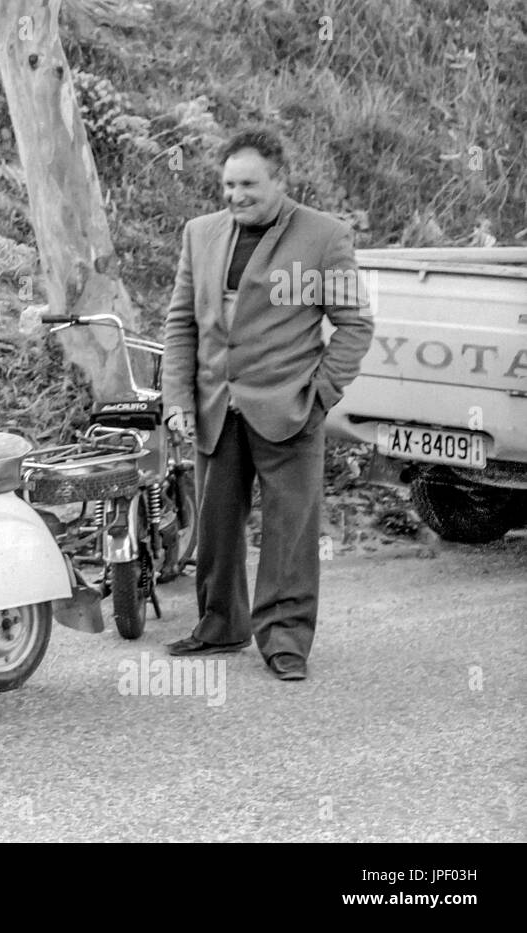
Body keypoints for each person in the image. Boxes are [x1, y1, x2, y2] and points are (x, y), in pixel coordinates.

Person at [161, 129, 373, 681]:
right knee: (216, 525)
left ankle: (284, 641)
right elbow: (181, 323)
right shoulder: (200, 233)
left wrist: (320, 394)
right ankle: (219, 625)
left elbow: (353, 325)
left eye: (249, 184)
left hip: (290, 407)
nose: (236, 195)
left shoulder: (326, 236)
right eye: (229, 184)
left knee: (290, 531)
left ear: (280, 180)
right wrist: (177, 398)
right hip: (215, 405)